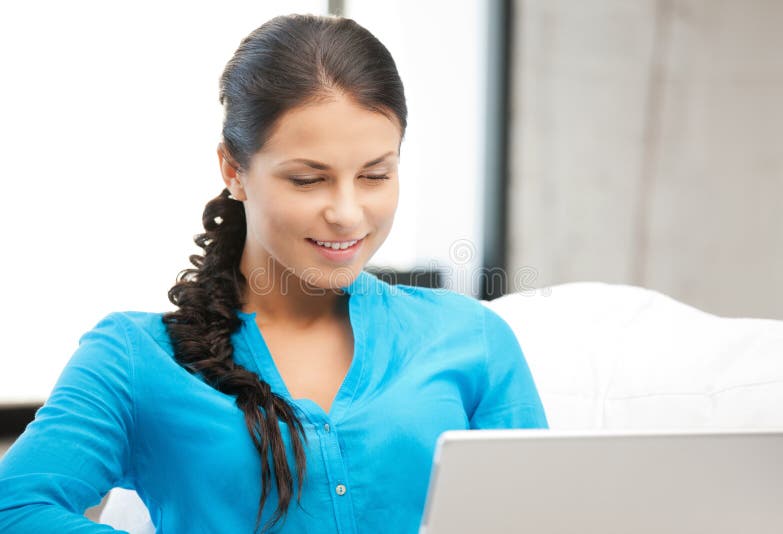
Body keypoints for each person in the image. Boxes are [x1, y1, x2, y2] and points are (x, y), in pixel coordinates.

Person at [0, 13, 547, 533]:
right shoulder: (134, 357)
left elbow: (546, 517)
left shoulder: (472, 339)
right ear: (234, 171)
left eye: (376, 175)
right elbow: (16, 508)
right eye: (309, 180)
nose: (348, 213)